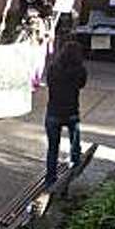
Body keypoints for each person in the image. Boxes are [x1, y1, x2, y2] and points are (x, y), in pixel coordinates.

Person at [44, 41, 88, 187]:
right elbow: (81, 85)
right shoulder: (80, 70)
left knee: (53, 148)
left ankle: (50, 179)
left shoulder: (53, 68)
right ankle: (74, 170)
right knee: (74, 144)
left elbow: (49, 83)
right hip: (71, 111)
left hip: (53, 110)